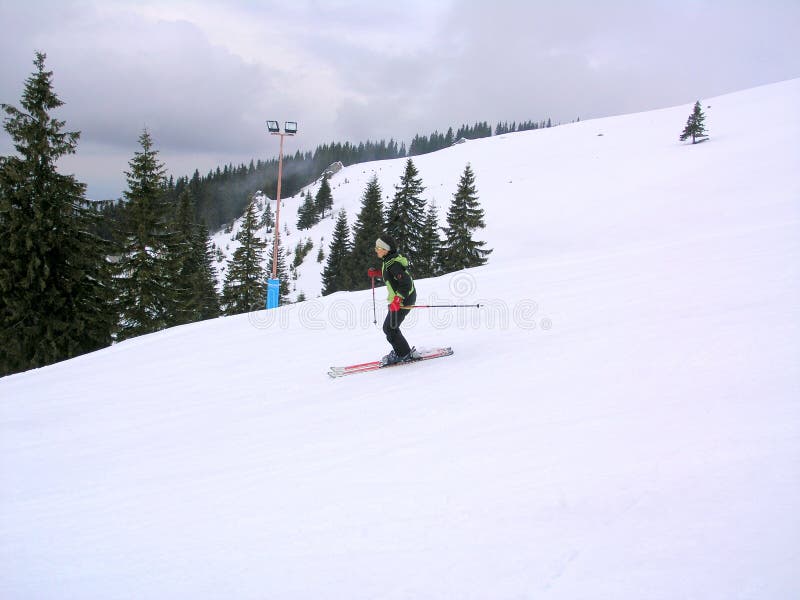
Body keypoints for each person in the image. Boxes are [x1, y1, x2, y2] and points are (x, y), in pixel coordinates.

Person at [371, 235, 421, 366]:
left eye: (378, 247)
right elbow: (392, 276)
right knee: (390, 327)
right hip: (401, 299)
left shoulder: (393, 264)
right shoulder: (388, 261)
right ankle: (403, 352)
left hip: (404, 300)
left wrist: (398, 299)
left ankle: (403, 353)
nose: (376, 249)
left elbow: (406, 283)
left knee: (390, 328)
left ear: (386, 250)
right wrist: (377, 273)